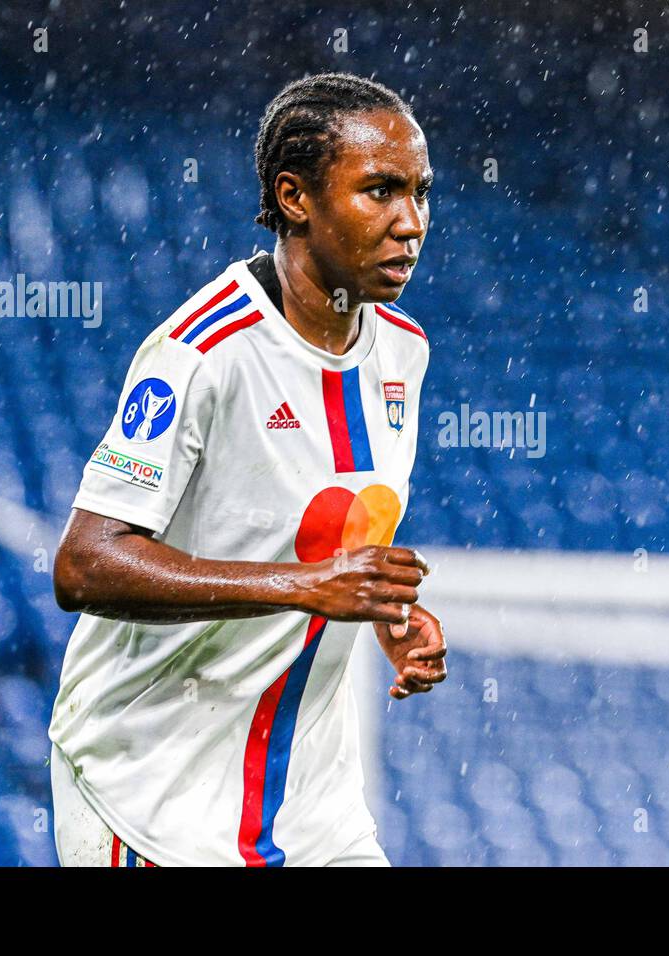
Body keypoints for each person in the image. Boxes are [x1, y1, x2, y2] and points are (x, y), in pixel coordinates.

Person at [48, 72, 444, 867]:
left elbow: (329, 526)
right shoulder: (201, 353)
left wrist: (390, 618)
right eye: (380, 192)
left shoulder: (404, 350)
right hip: (156, 796)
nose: (410, 223)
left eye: (422, 194)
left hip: (314, 810)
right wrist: (304, 591)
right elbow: (84, 566)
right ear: (294, 197)